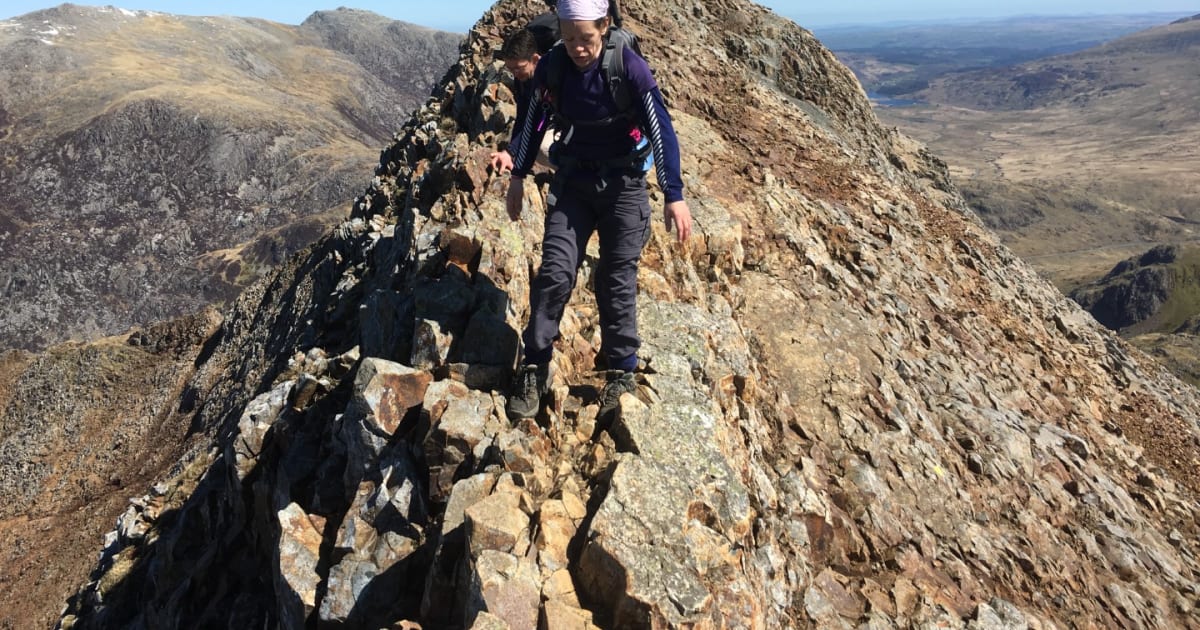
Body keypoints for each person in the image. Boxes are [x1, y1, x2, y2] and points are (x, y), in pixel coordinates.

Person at [501, 0, 693, 421]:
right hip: (574, 184)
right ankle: (534, 364)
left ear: (604, 26)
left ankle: (621, 371)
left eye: (585, 38)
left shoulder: (627, 66)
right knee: (555, 271)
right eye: (568, 38)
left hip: (624, 185)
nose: (577, 48)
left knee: (615, 278)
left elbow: (661, 130)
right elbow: (533, 122)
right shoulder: (552, 66)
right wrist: (516, 175)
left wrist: (673, 193)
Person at [489, 27, 545, 173]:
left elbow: (535, 121)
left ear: (535, 59)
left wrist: (517, 170)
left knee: (543, 147)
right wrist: (510, 152)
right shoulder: (523, 80)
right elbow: (522, 116)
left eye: (519, 68)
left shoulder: (548, 80)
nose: (515, 73)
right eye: (510, 68)